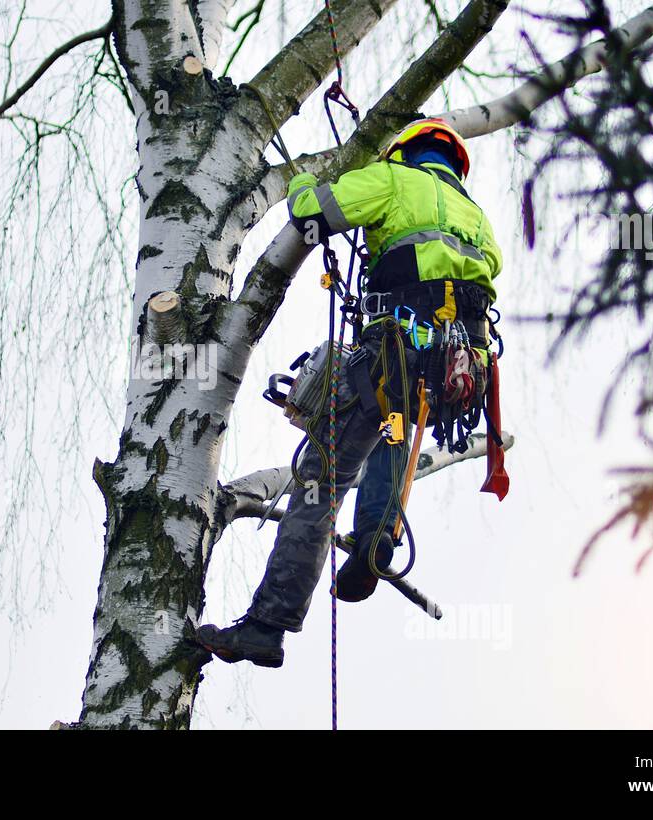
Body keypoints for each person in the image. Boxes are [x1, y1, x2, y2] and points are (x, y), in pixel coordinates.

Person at [197, 118, 503, 668]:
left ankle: (268, 626)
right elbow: (487, 273)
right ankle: (376, 536)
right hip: (456, 369)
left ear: (405, 152)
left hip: (393, 351)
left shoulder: (393, 179)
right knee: (397, 427)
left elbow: (314, 211)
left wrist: (299, 183)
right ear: (456, 163)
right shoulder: (477, 219)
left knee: (319, 482)